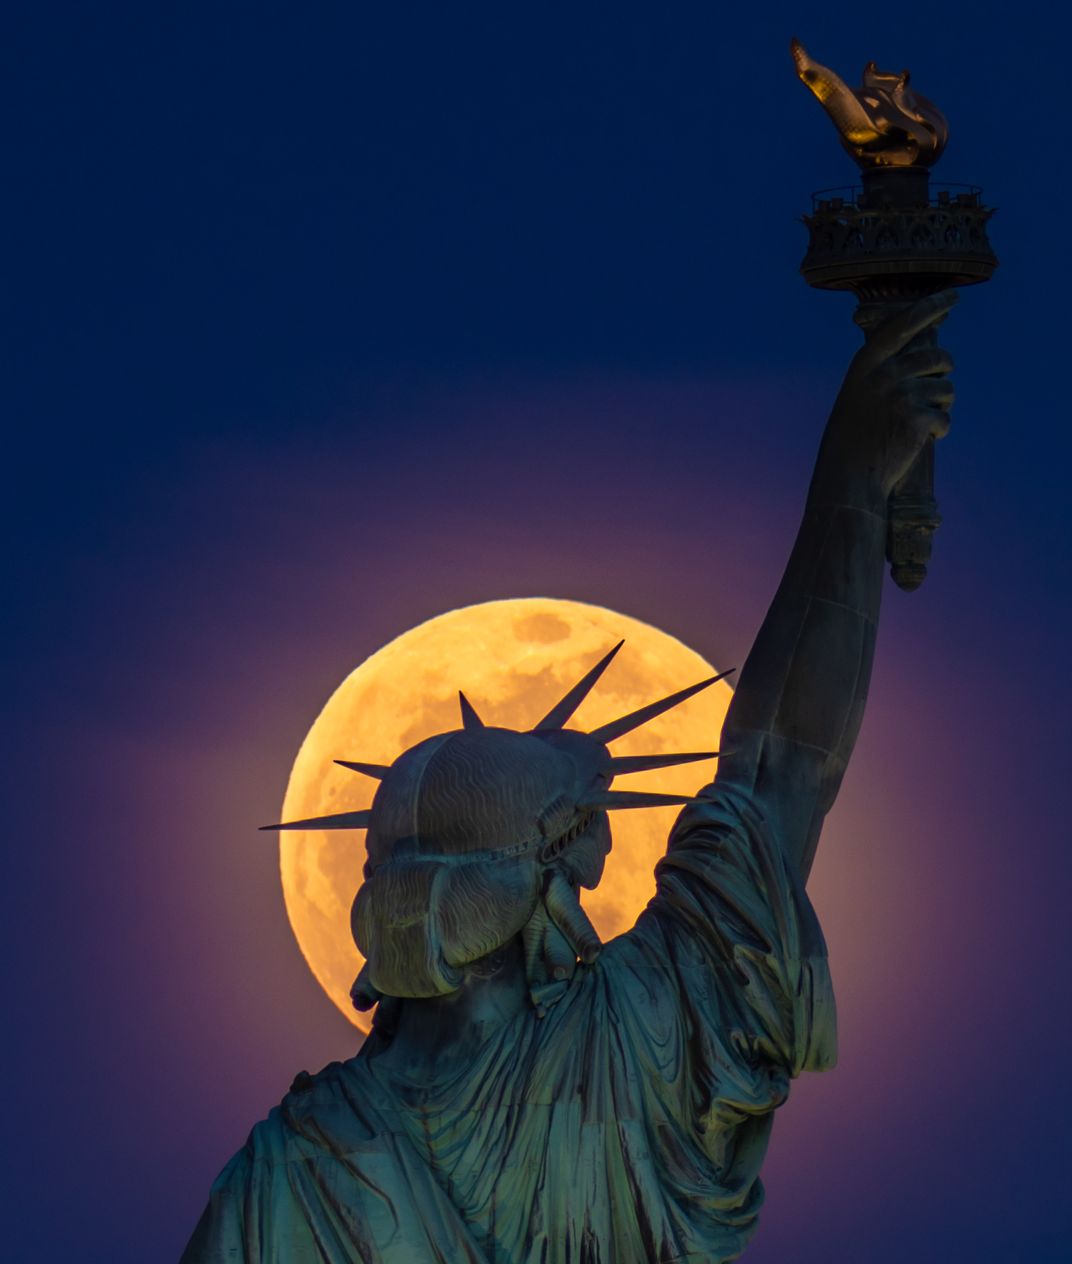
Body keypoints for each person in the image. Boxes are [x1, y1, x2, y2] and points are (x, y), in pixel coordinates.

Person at [182, 291, 957, 1263]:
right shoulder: (635, 1050)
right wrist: (850, 487)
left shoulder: (293, 1169)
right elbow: (779, 766)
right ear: (542, 883)